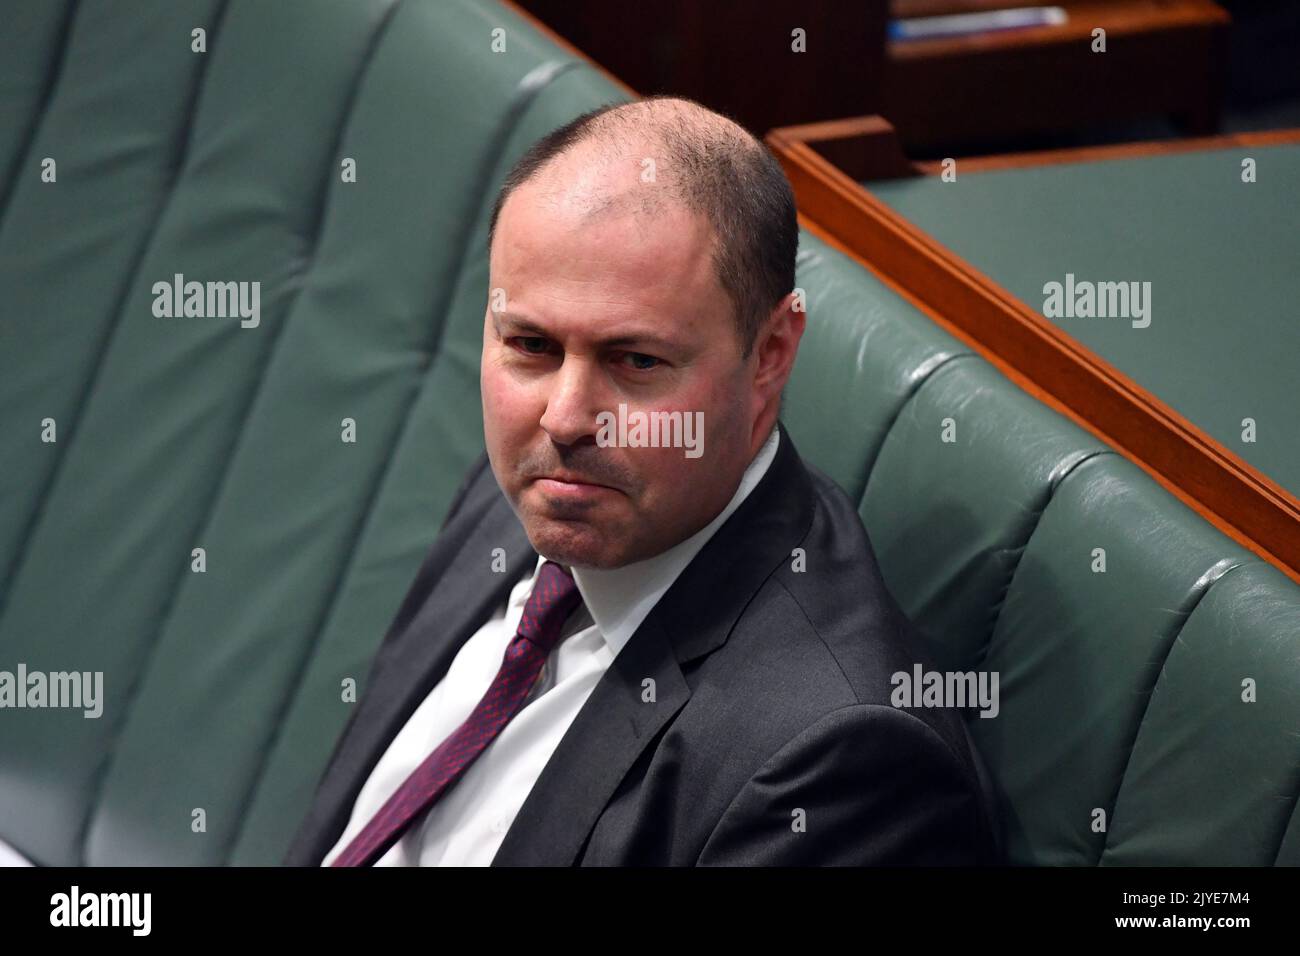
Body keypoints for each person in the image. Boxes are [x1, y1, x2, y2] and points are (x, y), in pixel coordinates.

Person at [285, 95, 1001, 866]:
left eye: (635, 362)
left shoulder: (842, 765)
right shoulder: (536, 499)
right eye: (530, 345)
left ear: (770, 355)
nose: (564, 419)